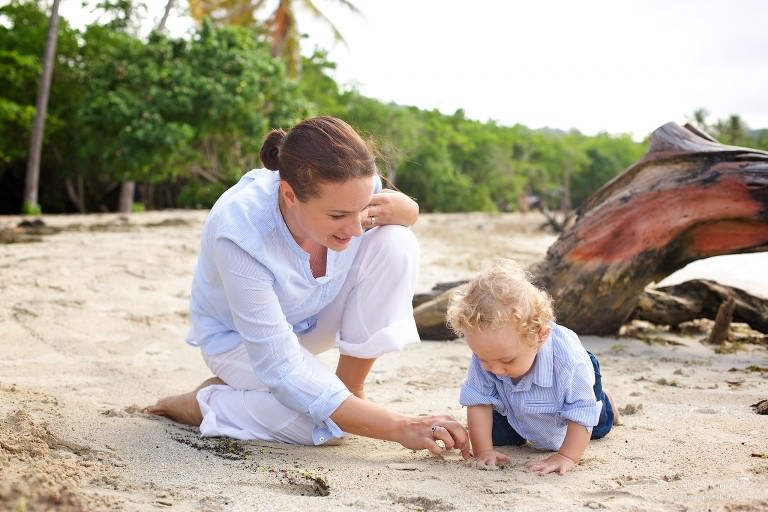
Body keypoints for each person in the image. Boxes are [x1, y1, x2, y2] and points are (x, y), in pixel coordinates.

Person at [145, 116, 469, 457]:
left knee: (397, 241)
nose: (356, 229)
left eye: (361, 209)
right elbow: (282, 367)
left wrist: (409, 210)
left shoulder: (353, 186)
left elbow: (398, 215)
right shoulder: (239, 231)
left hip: (313, 314)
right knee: (324, 427)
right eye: (338, 216)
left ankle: (350, 388)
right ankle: (205, 403)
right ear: (289, 194)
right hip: (239, 341)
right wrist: (400, 426)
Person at [445, 259, 617, 475]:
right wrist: (484, 450)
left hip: (568, 394)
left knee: (598, 427)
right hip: (514, 402)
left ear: (540, 336)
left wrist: (565, 456)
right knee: (498, 435)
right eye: (482, 358)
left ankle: (605, 400)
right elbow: (478, 401)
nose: (495, 369)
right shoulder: (491, 355)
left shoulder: (570, 361)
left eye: (506, 361)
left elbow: (581, 410)